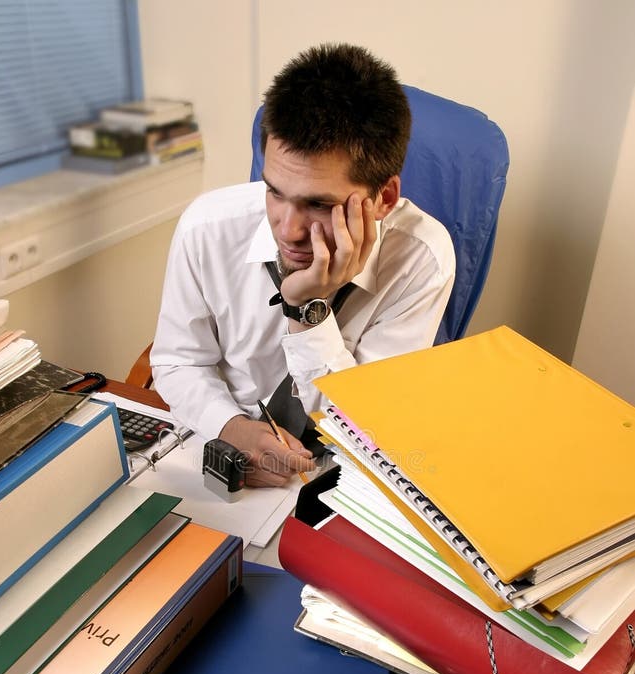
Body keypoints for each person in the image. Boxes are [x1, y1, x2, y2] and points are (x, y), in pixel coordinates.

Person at [151, 43, 455, 487]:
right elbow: (179, 361)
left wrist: (307, 308)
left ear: (384, 199)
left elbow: (363, 429)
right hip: (220, 444)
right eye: (274, 191)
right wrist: (231, 429)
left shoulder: (420, 259)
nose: (288, 229)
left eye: (317, 203)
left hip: (343, 477)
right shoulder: (208, 228)